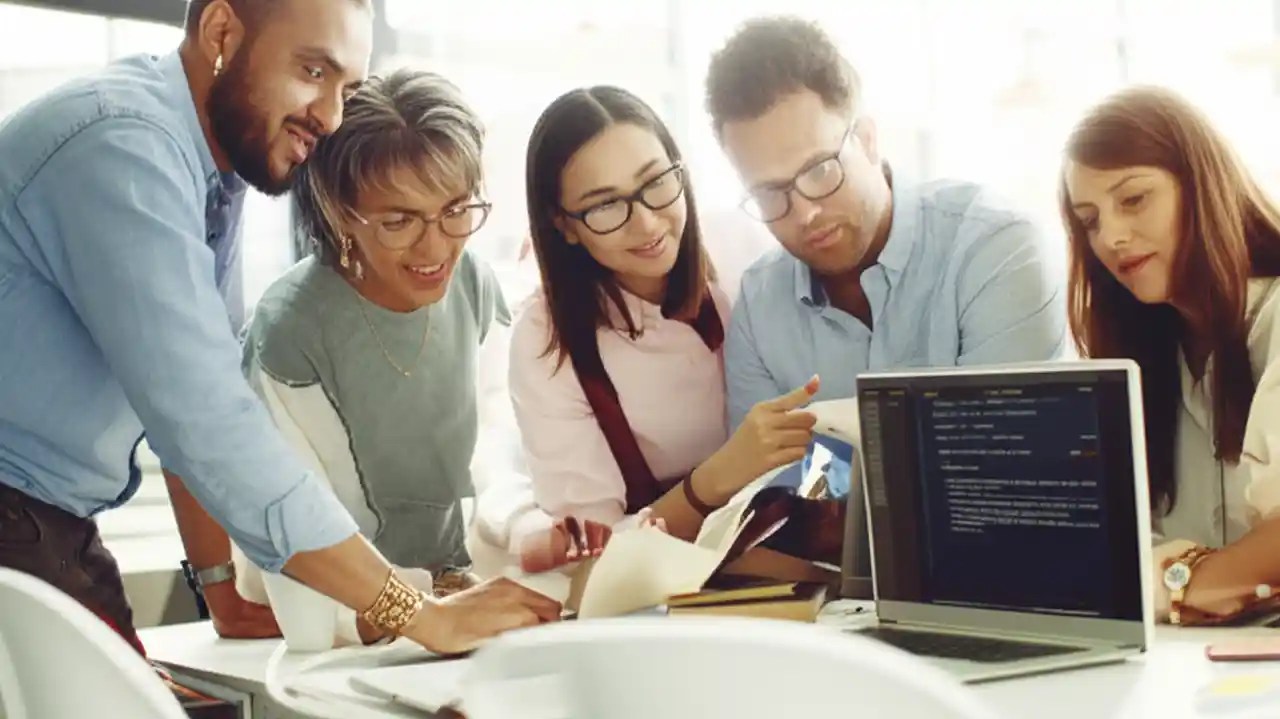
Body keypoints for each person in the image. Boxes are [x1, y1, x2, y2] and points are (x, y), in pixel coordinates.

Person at [0, 0, 556, 656]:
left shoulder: (211, 168)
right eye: (312, 70)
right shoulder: (122, 149)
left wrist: (219, 588)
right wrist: (423, 616)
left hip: (48, 522)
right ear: (222, 32)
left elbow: (186, 403)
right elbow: (206, 422)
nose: (329, 117)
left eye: (346, 87)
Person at [704, 17, 1066, 499]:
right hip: (827, 574)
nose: (806, 212)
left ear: (868, 140)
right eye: (770, 192)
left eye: (820, 170)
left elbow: (997, 476)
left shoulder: (996, 247)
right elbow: (769, 496)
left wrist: (830, 468)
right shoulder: (759, 301)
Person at [470, 86, 820, 583]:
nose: (647, 223)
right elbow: (596, 557)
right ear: (563, 225)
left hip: (796, 534)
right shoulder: (546, 341)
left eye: (656, 182)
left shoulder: (743, 249)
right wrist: (717, 478)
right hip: (663, 582)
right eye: (604, 206)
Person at [232, 68, 509, 648]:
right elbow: (291, 542)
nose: (436, 248)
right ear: (339, 213)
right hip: (337, 624)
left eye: (456, 210)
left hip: (455, 604)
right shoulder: (291, 328)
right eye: (399, 221)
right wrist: (420, 610)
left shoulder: (473, 284)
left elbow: (495, 459)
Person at [1060, 86, 1280, 625]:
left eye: (1133, 199)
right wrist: (1190, 584)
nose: (1111, 236)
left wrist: (1183, 582)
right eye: (1090, 221)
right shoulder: (1141, 359)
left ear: (1201, 186)